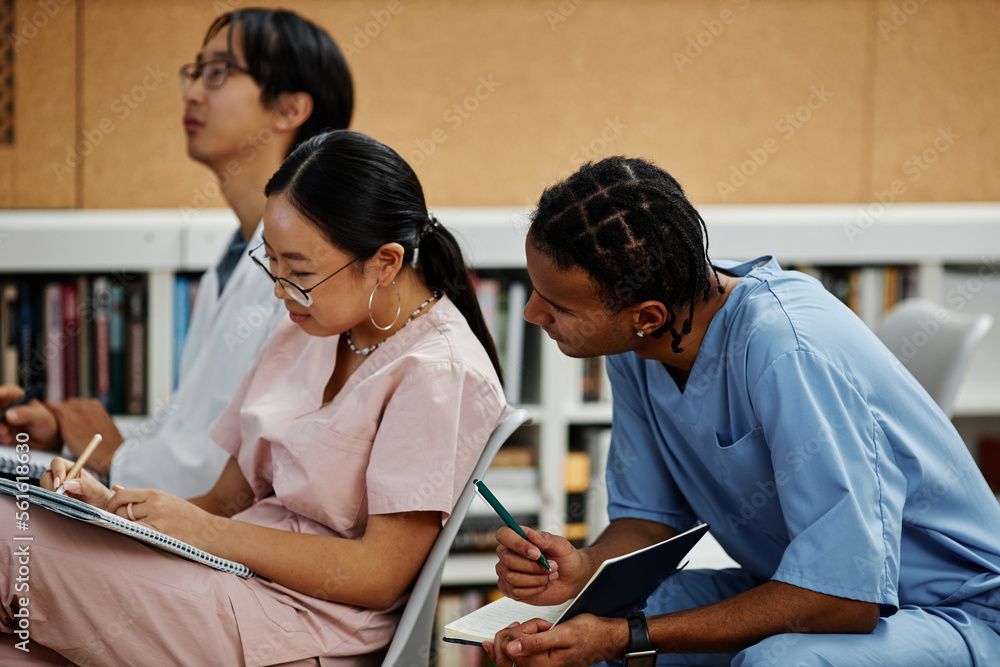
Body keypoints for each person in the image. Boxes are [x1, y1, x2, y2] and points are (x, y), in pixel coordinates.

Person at [0, 129, 507, 665]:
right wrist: (109, 509)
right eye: (273, 263)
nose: (279, 290)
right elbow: (223, 503)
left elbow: (379, 575)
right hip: (230, 578)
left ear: (384, 262)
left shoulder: (438, 371)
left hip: (304, 625)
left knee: (9, 538)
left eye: (301, 272)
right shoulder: (309, 328)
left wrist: (209, 532)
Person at [485, 156, 1000, 666]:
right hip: (793, 585)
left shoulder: (789, 351)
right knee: (573, 630)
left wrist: (625, 636)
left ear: (646, 317)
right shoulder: (640, 346)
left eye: (560, 307)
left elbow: (845, 597)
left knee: (778, 663)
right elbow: (649, 519)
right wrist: (586, 567)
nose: (532, 313)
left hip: (948, 611)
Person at [0, 7, 354, 497]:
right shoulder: (231, 262)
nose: (190, 93)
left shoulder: (309, 273)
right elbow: (192, 430)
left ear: (289, 109)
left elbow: (237, 473)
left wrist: (114, 455)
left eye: (217, 74)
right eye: (193, 74)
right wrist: (68, 430)